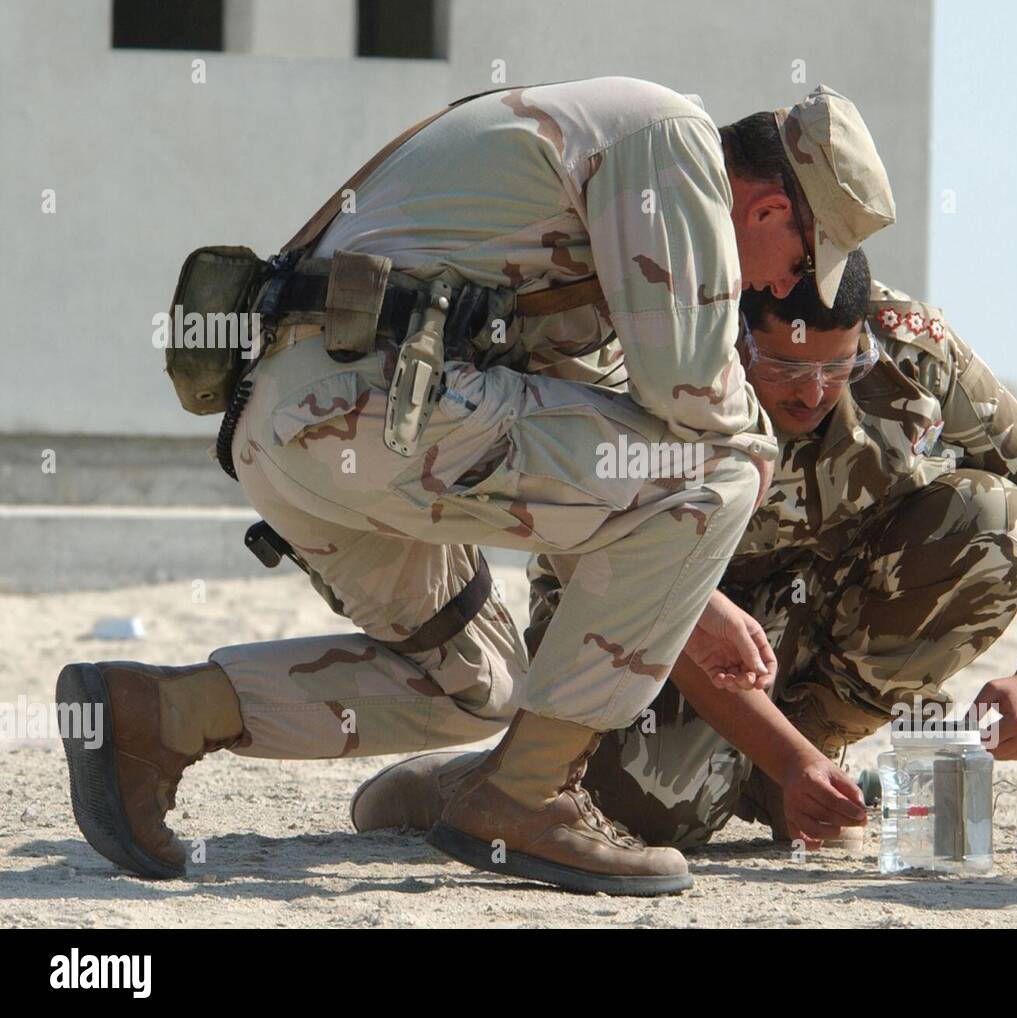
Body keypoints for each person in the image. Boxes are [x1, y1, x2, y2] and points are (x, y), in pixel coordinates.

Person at [57, 79, 896, 894]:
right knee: (729, 459)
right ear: (769, 210)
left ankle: (159, 713)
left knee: (479, 681)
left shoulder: (605, 210)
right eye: (794, 266)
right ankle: (529, 796)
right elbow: (689, 399)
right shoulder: (666, 141)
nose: (777, 290)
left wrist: (690, 595)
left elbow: (598, 474)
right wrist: (705, 524)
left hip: (301, 431)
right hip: (375, 407)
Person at [353, 247, 1017, 849]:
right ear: (738, 340)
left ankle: (798, 764)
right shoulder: (654, 367)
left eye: (839, 370)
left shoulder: (911, 347)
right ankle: (465, 780)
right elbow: (642, 587)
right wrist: (787, 758)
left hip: (807, 616)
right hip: (654, 625)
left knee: (993, 518)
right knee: (659, 817)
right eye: (783, 371)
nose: (813, 395)